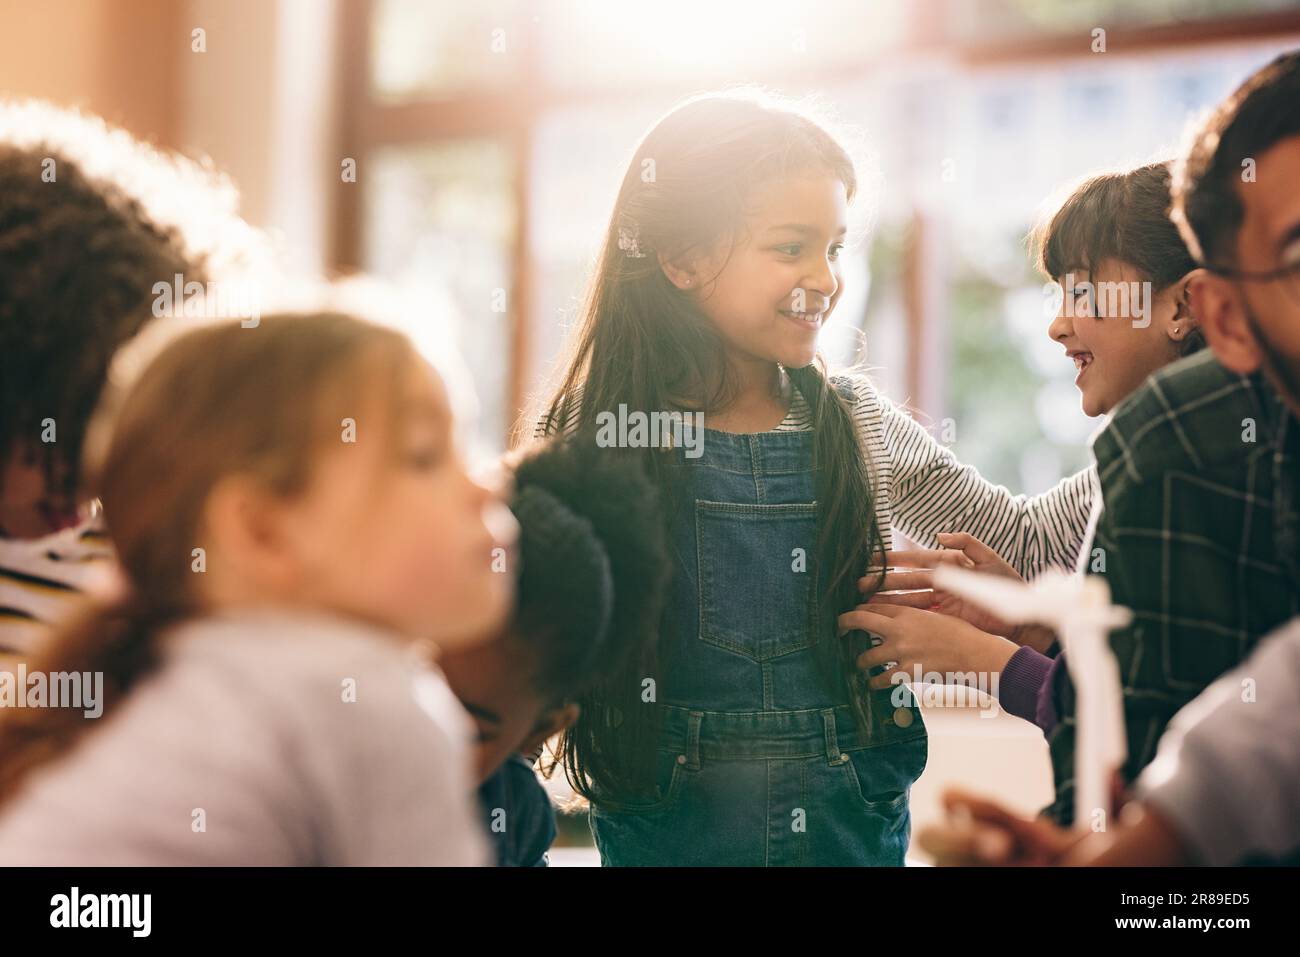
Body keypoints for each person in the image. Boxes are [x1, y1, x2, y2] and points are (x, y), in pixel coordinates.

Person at [534, 89, 1095, 865]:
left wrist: (1151, 421)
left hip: (849, 830)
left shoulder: (858, 419)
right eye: (791, 247)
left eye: (834, 248)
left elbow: (1029, 542)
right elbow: (533, 642)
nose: (827, 279)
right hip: (665, 827)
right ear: (683, 258)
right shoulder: (587, 439)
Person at [0, 313, 516, 865]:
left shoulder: (177, 676)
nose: (485, 485)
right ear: (262, 531)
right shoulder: (360, 698)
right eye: (423, 455)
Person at [440, 439, 671, 867]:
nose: (420, 730)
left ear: (540, 730)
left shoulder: (515, 821)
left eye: (466, 732)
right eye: (409, 677)